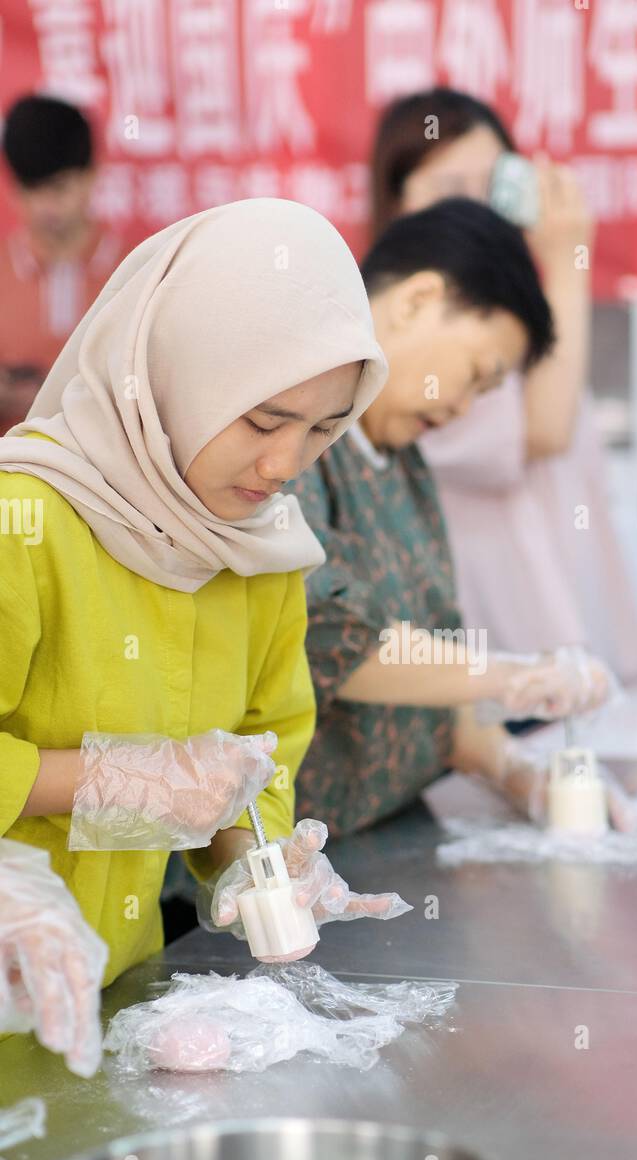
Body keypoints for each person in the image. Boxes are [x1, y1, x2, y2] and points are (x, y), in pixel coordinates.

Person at [0, 198, 405, 1075]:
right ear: (170, 374)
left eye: (324, 430)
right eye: (263, 421)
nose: (284, 464)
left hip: (112, 990)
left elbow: (262, 749)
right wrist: (102, 778)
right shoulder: (22, 524)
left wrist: (257, 862)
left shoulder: (257, 554)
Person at [286, 198, 614, 840]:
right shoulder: (292, 436)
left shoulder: (407, 464)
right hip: (287, 861)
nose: (463, 406)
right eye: (476, 375)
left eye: (486, 395)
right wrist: (514, 675)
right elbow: (324, 635)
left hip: (385, 835)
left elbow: (437, 678)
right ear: (415, 301)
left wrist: (519, 774)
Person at [369, 88, 637, 680]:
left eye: (496, 185)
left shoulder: (513, 327)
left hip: (580, 632)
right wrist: (570, 261)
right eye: (450, 190)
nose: (483, 210)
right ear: (396, 204)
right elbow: (542, 432)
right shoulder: (411, 351)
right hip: (494, 660)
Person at [0, 94, 132, 433]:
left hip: (108, 476)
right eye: (30, 189)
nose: (45, 206)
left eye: (59, 188)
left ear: (91, 175)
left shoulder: (137, 269)